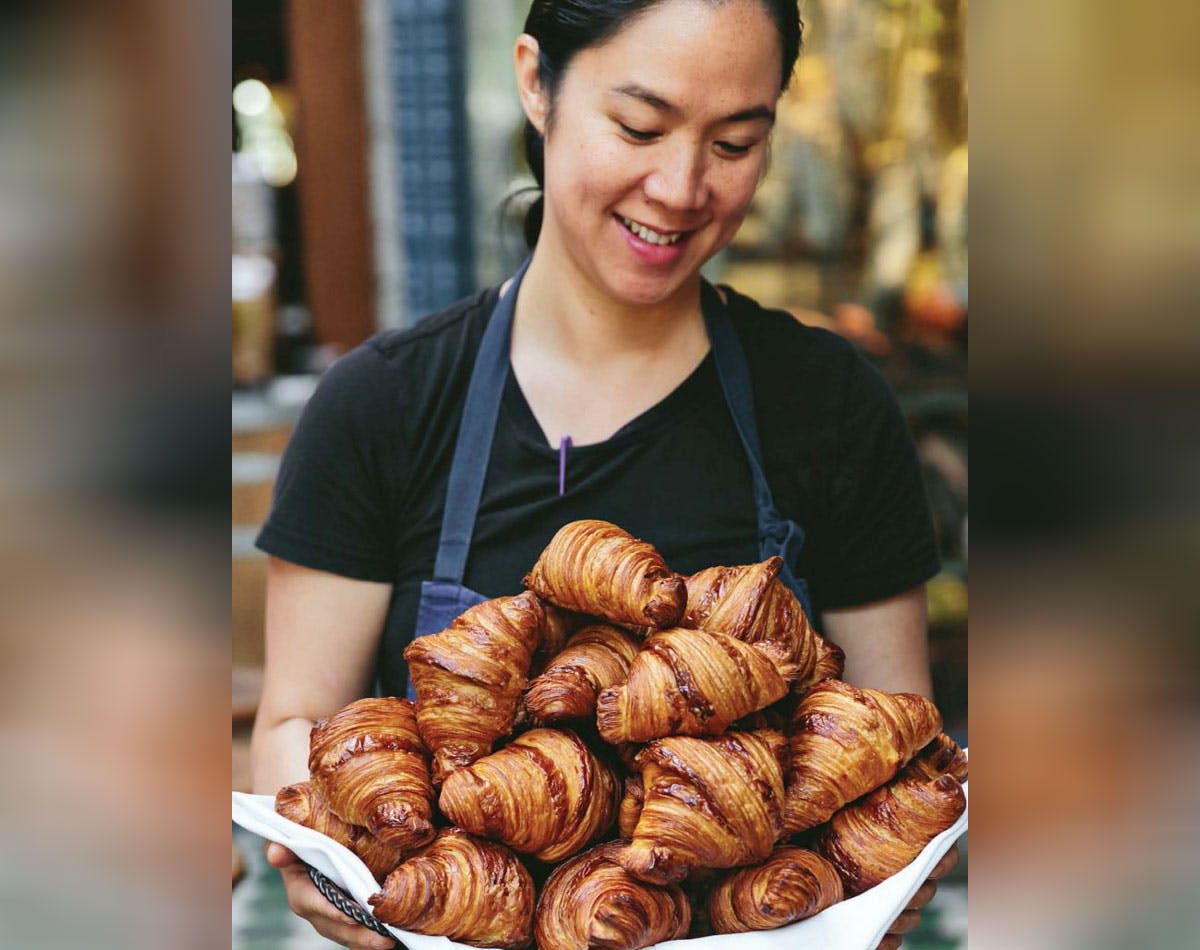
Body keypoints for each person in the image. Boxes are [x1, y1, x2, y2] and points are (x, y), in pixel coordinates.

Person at [250, 1, 957, 947]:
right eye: (639, 126)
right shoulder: (381, 407)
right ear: (537, 81)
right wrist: (329, 843)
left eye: (736, 142)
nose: (680, 186)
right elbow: (294, 720)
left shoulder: (827, 404)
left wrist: (890, 881)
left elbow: (897, 754)